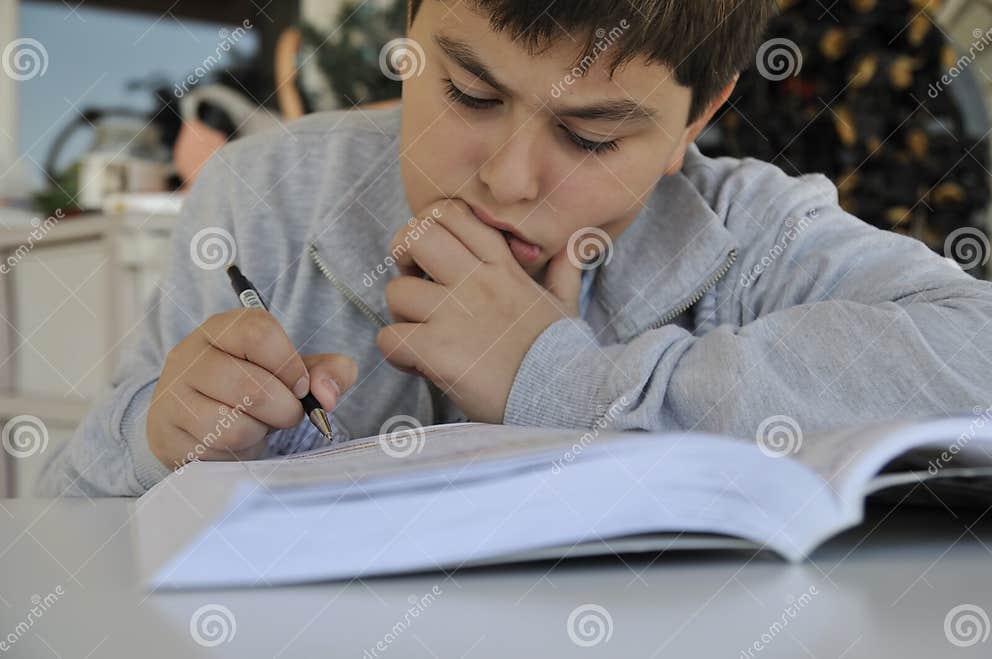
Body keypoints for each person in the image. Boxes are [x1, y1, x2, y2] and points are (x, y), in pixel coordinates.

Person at [37, 0, 992, 496]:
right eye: (469, 92)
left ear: (694, 119)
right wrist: (160, 437)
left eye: (590, 136)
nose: (506, 178)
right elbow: (65, 503)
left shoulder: (751, 234)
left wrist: (556, 382)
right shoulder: (265, 196)